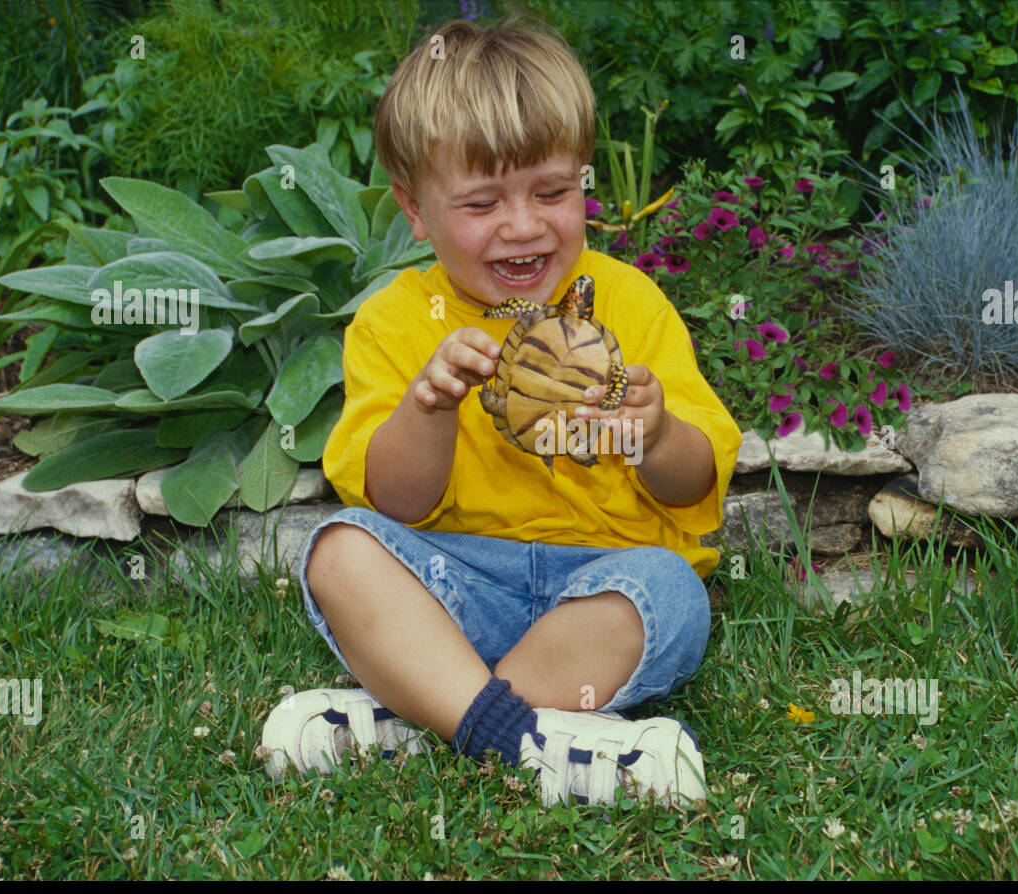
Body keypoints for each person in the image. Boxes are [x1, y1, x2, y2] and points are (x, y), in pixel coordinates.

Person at [260, 15, 741, 807]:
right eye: (482, 203)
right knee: (339, 550)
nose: (523, 225)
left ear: (583, 180)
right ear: (414, 211)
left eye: (552, 191)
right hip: (458, 583)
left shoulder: (630, 301)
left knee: (670, 594)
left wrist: (654, 429)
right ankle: (534, 743)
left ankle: (427, 718)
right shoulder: (394, 321)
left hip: (599, 583)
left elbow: (692, 486)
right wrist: (428, 405)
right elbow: (397, 503)